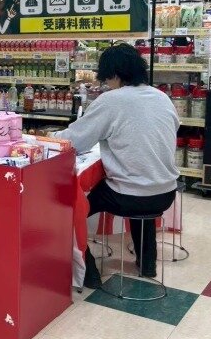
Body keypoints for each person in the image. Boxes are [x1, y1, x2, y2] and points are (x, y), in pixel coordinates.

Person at [53, 43, 179, 288]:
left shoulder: (111, 100)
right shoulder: (162, 97)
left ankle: (89, 274)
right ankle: (147, 264)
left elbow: (76, 140)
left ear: (114, 74)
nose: (105, 83)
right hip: (165, 193)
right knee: (141, 190)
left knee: (69, 209)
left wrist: (48, 138)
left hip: (128, 196)